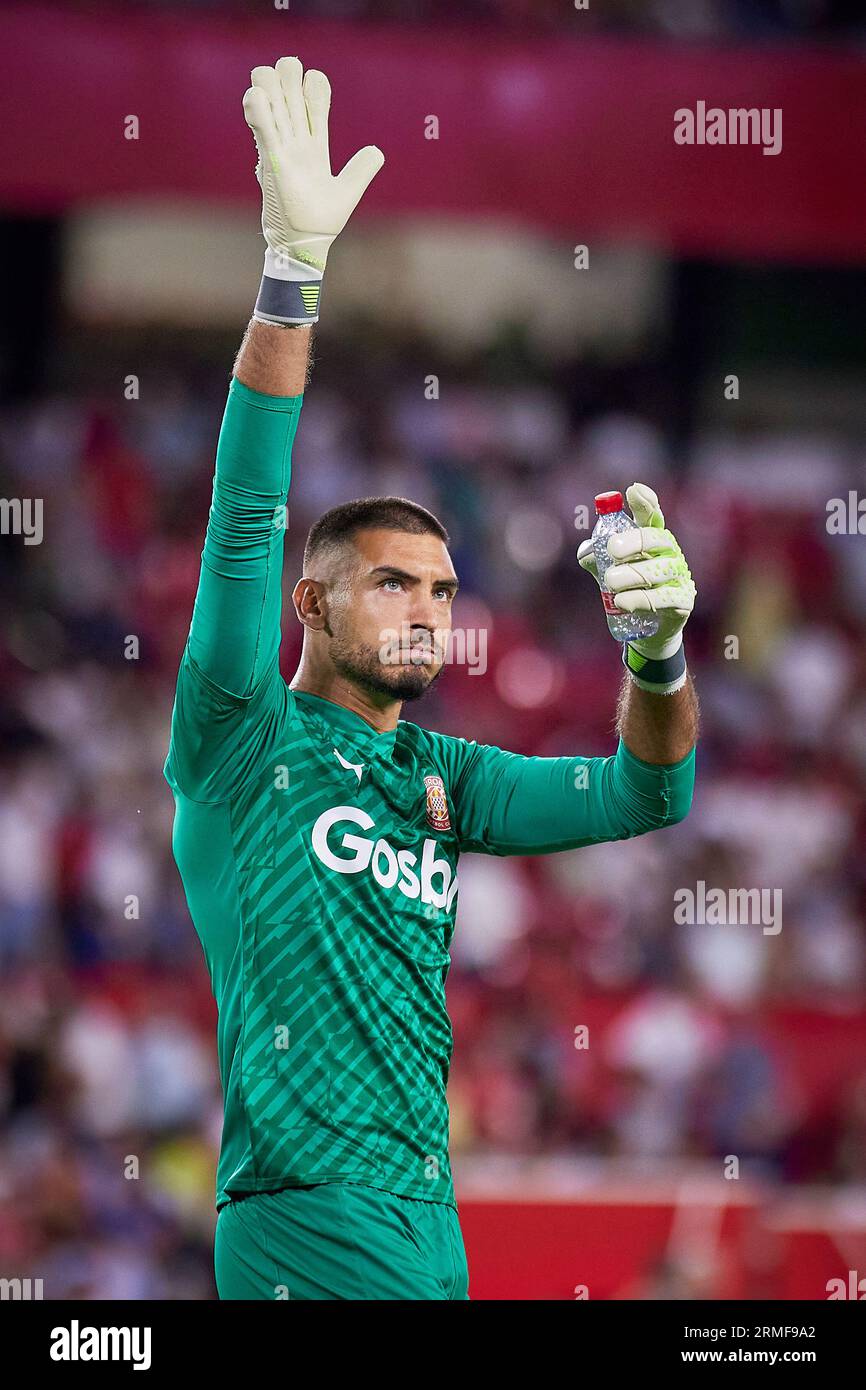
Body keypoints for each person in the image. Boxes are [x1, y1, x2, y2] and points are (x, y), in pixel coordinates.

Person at [165, 57, 699, 1300]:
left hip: (426, 1225)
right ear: (312, 603)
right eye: (394, 583)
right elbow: (246, 514)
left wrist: (661, 653)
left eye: (445, 590)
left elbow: (647, 794)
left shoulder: (441, 772)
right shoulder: (239, 736)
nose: (427, 611)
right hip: (301, 1220)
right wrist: (291, 277)